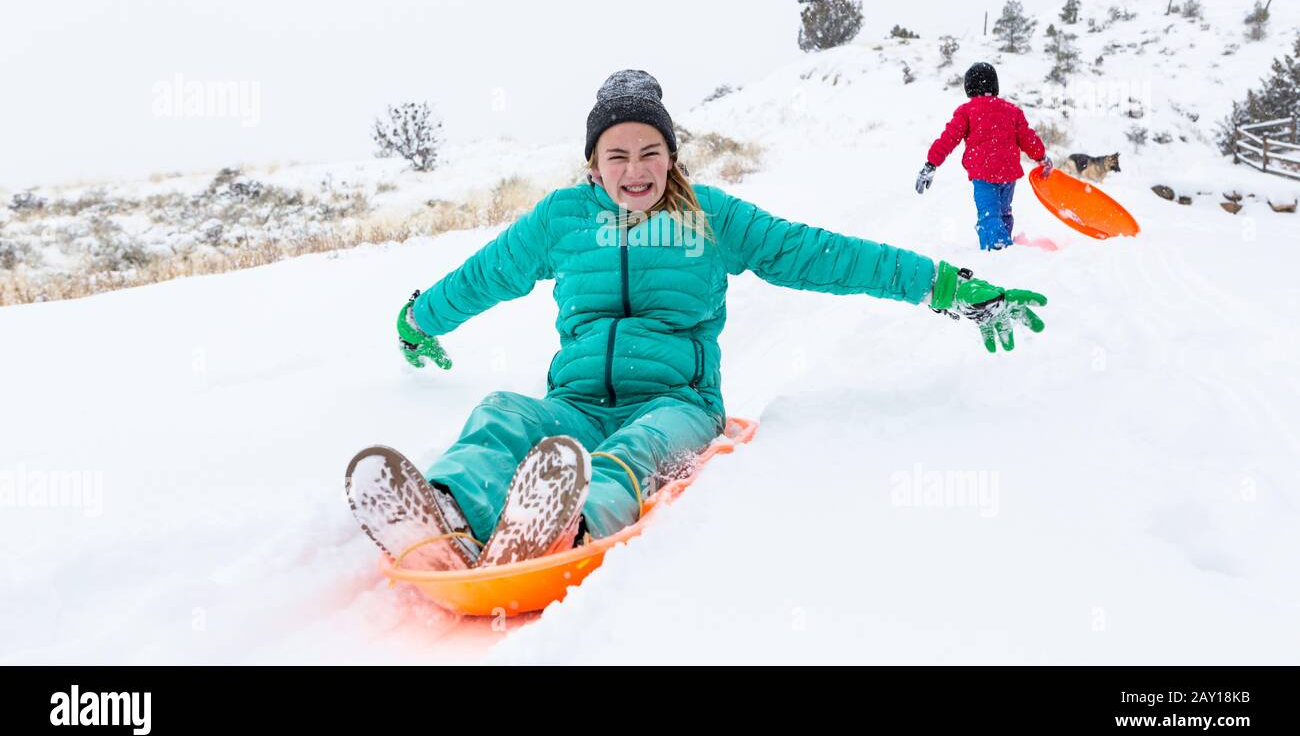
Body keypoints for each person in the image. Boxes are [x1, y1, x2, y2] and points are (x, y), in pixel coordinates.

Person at [347, 69, 1049, 573]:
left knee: (642, 446)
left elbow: (822, 255)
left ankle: (568, 524)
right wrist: (419, 318)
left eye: (650, 151)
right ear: (592, 164)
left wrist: (941, 284)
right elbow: (485, 276)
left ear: (671, 155)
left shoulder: (710, 217)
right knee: (500, 412)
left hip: (679, 403)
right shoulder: (561, 219)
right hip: (573, 404)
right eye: (616, 154)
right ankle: (443, 514)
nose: (635, 170)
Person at [915, 62, 1052, 250]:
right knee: (1003, 212)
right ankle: (1006, 245)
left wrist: (931, 164)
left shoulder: (967, 112)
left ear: (969, 87)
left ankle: (997, 249)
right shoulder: (1012, 111)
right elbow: (1028, 138)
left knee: (989, 213)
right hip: (1008, 173)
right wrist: (1041, 157)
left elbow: (948, 139)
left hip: (983, 174)